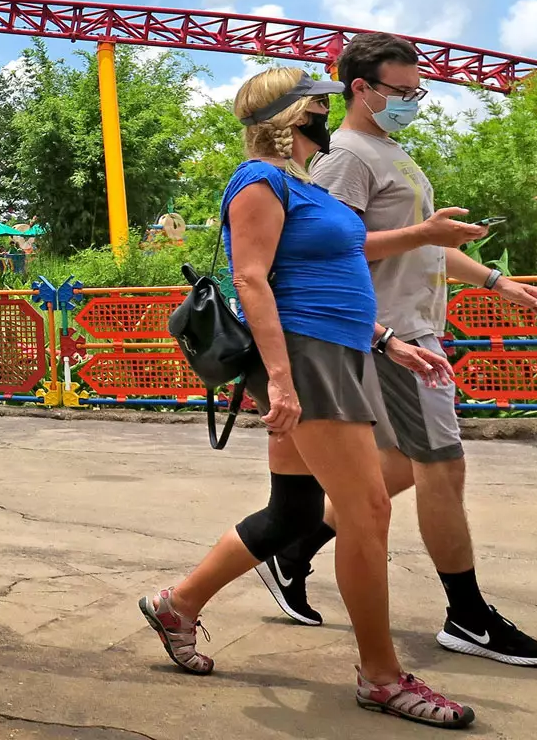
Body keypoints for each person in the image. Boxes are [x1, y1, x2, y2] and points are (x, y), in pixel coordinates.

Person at [139, 69, 475, 728]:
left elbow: (335, 268)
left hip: (336, 350)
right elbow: (253, 279)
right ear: (289, 116)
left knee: (293, 511)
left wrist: (387, 342)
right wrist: (282, 381)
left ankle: (177, 603)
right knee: (367, 507)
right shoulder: (258, 181)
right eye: (318, 104)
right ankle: (380, 676)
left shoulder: (301, 184)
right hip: (306, 358)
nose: (327, 112)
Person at [258, 33, 537, 666]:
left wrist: (495, 280)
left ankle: (296, 547)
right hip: (387, 335)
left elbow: (420, 243)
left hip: (411, 332)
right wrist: (418, 250)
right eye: (401, 91)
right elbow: (327, 248)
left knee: (394, 469)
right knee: (442, 467)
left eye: (416, 90)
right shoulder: (345, 156)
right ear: (359, 89)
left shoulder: (388, 150)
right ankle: (467, 617)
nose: (412, 100)